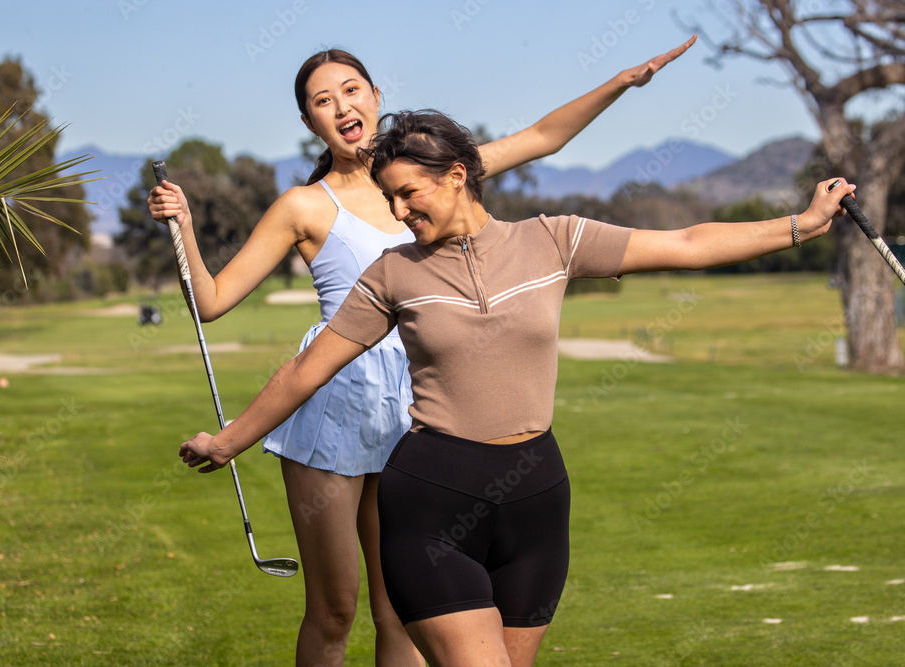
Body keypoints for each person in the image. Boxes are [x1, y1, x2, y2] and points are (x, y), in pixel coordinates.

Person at [175, 109, 854, 666]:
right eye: (390, 198)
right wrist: (229, 440)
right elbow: (307, 367)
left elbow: (686, 242)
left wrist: (804, 225)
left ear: (459, 175)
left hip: (536, 503)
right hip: (434, 504)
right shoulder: (392, 275)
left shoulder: (553, 241)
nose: (400, 209)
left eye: (410, 191)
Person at [150, 40, 695, 665]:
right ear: (309, 124)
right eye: (322, 101)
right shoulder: (303, 205)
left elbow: (545, 135)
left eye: (352, 90)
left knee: (403, 613)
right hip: (336, 407)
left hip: (424, 414)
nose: (342, 107)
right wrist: (185, 229)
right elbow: (212, 300)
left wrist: (621, 82)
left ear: (376, 96)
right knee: (336, 609)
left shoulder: (433, 168)